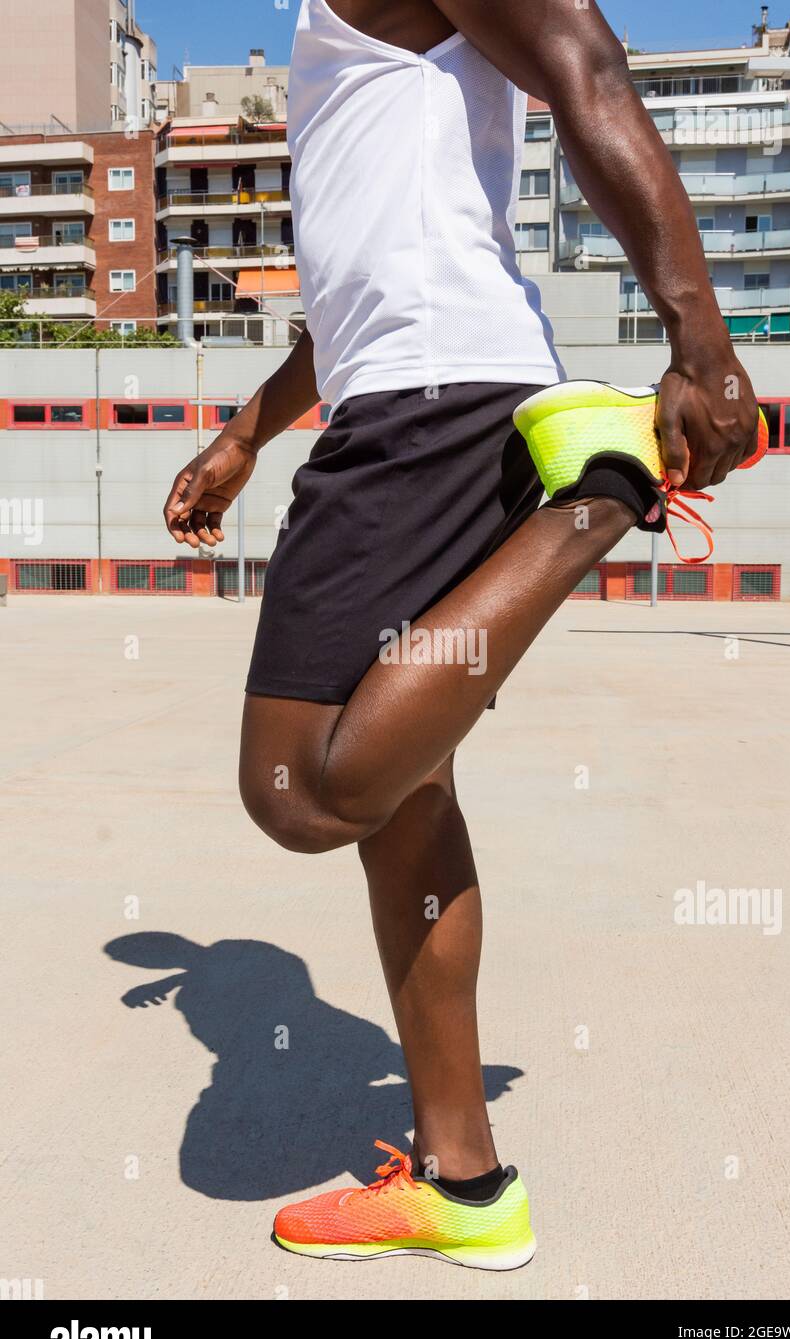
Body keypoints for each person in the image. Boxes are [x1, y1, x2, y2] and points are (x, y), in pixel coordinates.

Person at [163, 0, 759, 1270]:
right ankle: (464, 1183)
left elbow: (582, 62)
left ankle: (603, 492)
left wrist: (700, 348)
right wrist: (243, 435)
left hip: (429, 406)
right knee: (402, 803)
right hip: (413, 386)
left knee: (300, 788)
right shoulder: (346, 40)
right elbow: (354, 286)